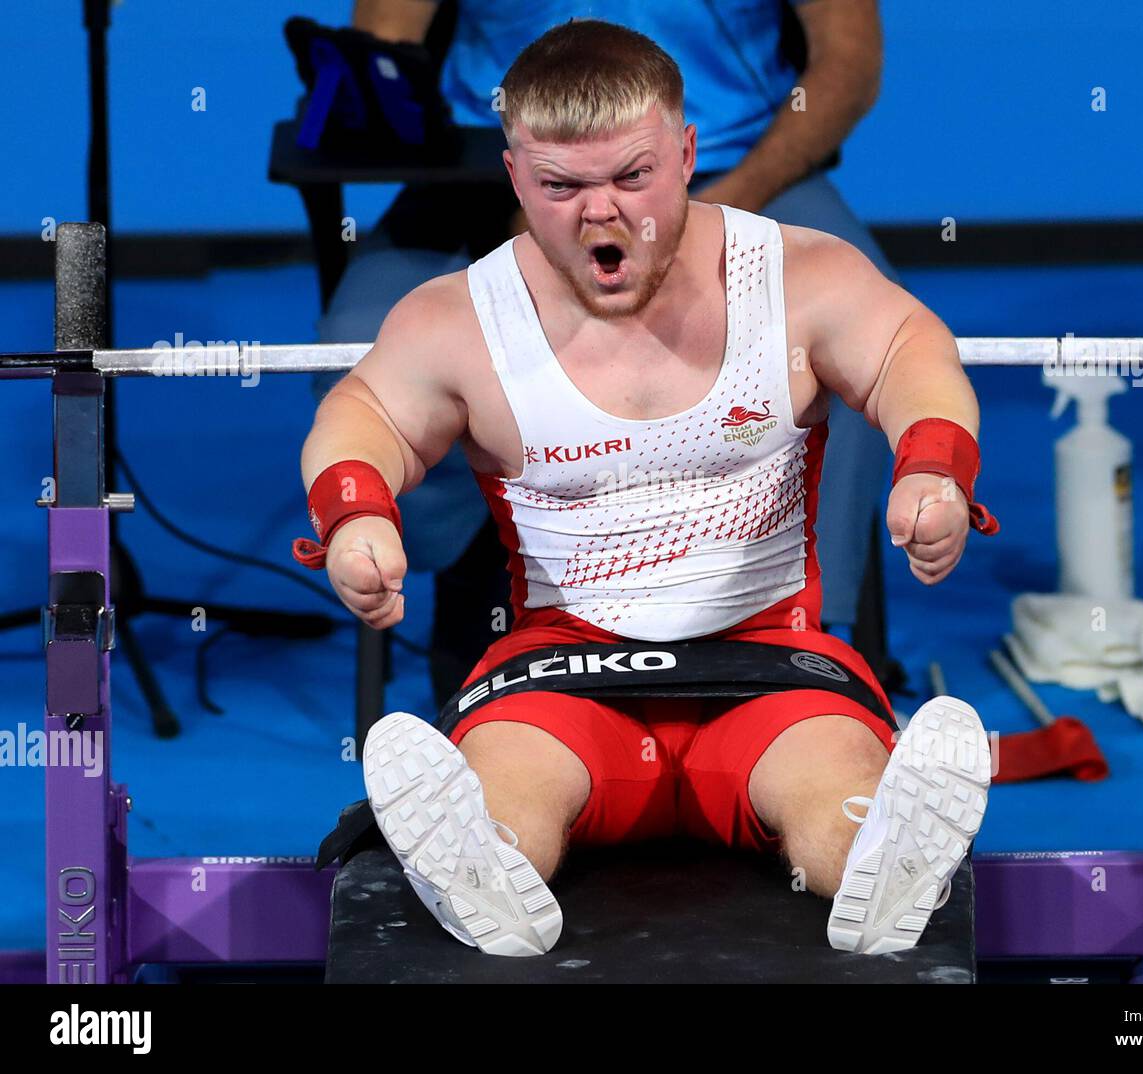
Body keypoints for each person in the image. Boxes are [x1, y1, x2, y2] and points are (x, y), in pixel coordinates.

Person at [297, 21, 996, 958]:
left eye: (633, 178)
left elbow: (912, 351)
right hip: (562, 676)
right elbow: (365, 414)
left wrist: (932, 466)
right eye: (562, 188)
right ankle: (480, 867)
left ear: (687, 153)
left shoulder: (796, 276)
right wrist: (355, 516)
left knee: (838, 795)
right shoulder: (459, 319)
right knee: (506, 794)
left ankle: (886, 859)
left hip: (768, 667)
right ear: (514, 177)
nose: (602, 216)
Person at [312, 0, 901, 696]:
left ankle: (802, 652)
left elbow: (848, 65)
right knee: (359, 344)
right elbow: (385, 50)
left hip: (737, 166)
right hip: (495, 177)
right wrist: (541, 205)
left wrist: (697, 211)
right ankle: (478, 582)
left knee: (857, 331)